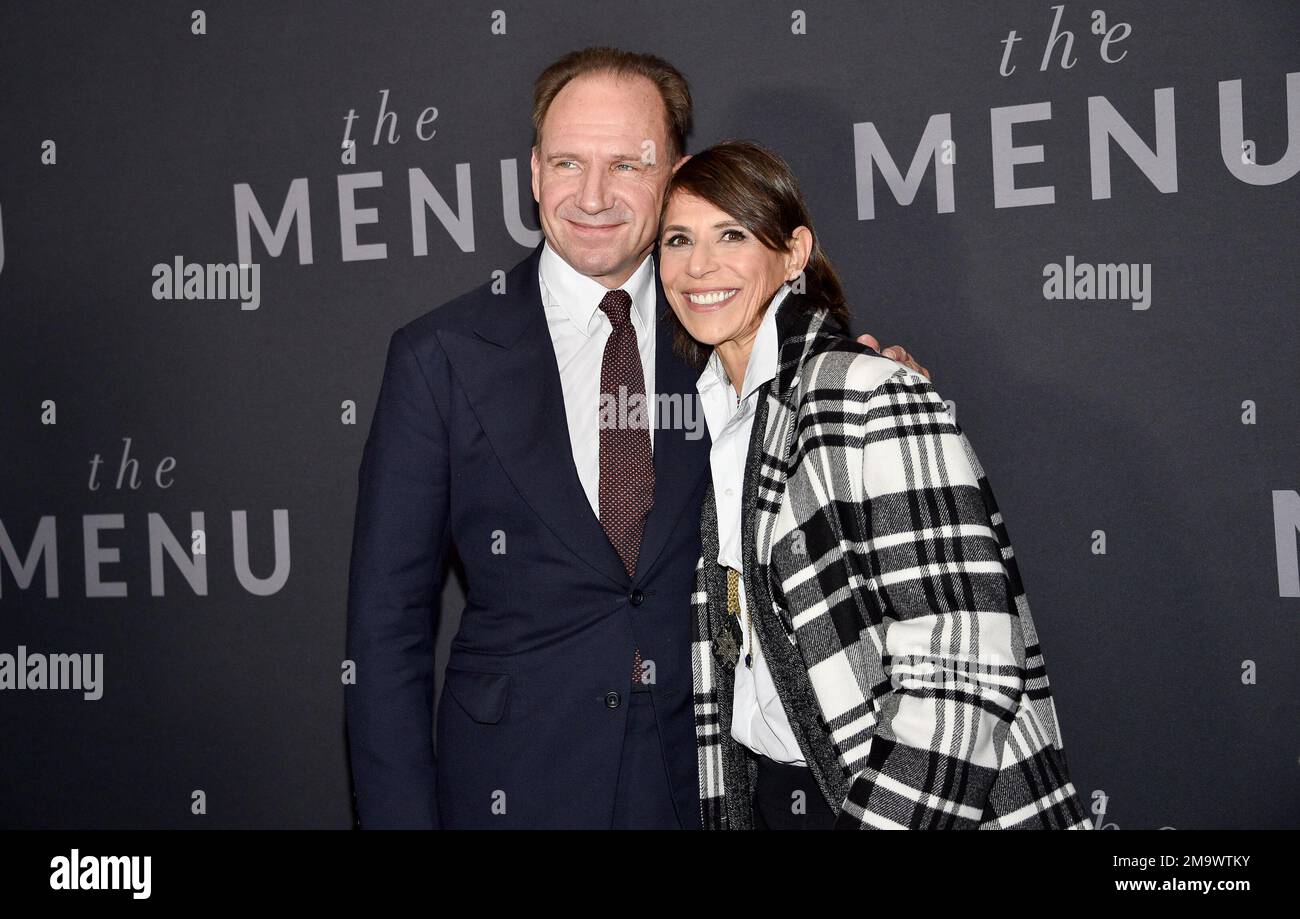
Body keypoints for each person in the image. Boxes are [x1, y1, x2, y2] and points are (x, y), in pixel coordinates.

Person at [344, 47, 931, 829]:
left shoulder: (735, 331)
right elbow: (386, 633)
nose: (592, 195)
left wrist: (868, 393)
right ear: (532, 172)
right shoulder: (439, 356)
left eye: (627, 163)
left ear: (676, 174)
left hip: (709, 786)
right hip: (514, 787)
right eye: (567, 162)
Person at [658, 140, 1090, 829]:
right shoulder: (727, 418)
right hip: (780, 798)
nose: (698, 265)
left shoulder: (865, 393)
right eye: (677, 239)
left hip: (903, 806)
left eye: (730, 234)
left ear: (795, 253)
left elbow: (964, 669)